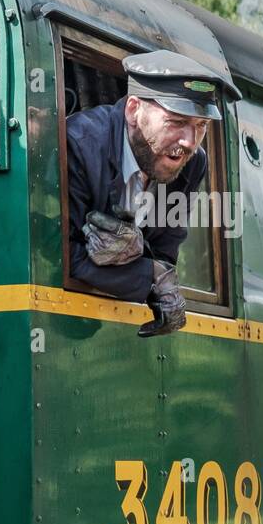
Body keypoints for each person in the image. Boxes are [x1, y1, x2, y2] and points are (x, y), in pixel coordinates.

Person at [66, 50, 240, 337]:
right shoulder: (78, 145)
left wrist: (146, 263)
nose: (189, 142)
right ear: (134, 110)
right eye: (176, 122)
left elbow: (165, 254)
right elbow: (58, 255)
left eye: (201, 126)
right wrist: (151, 274)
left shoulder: (193, 162)